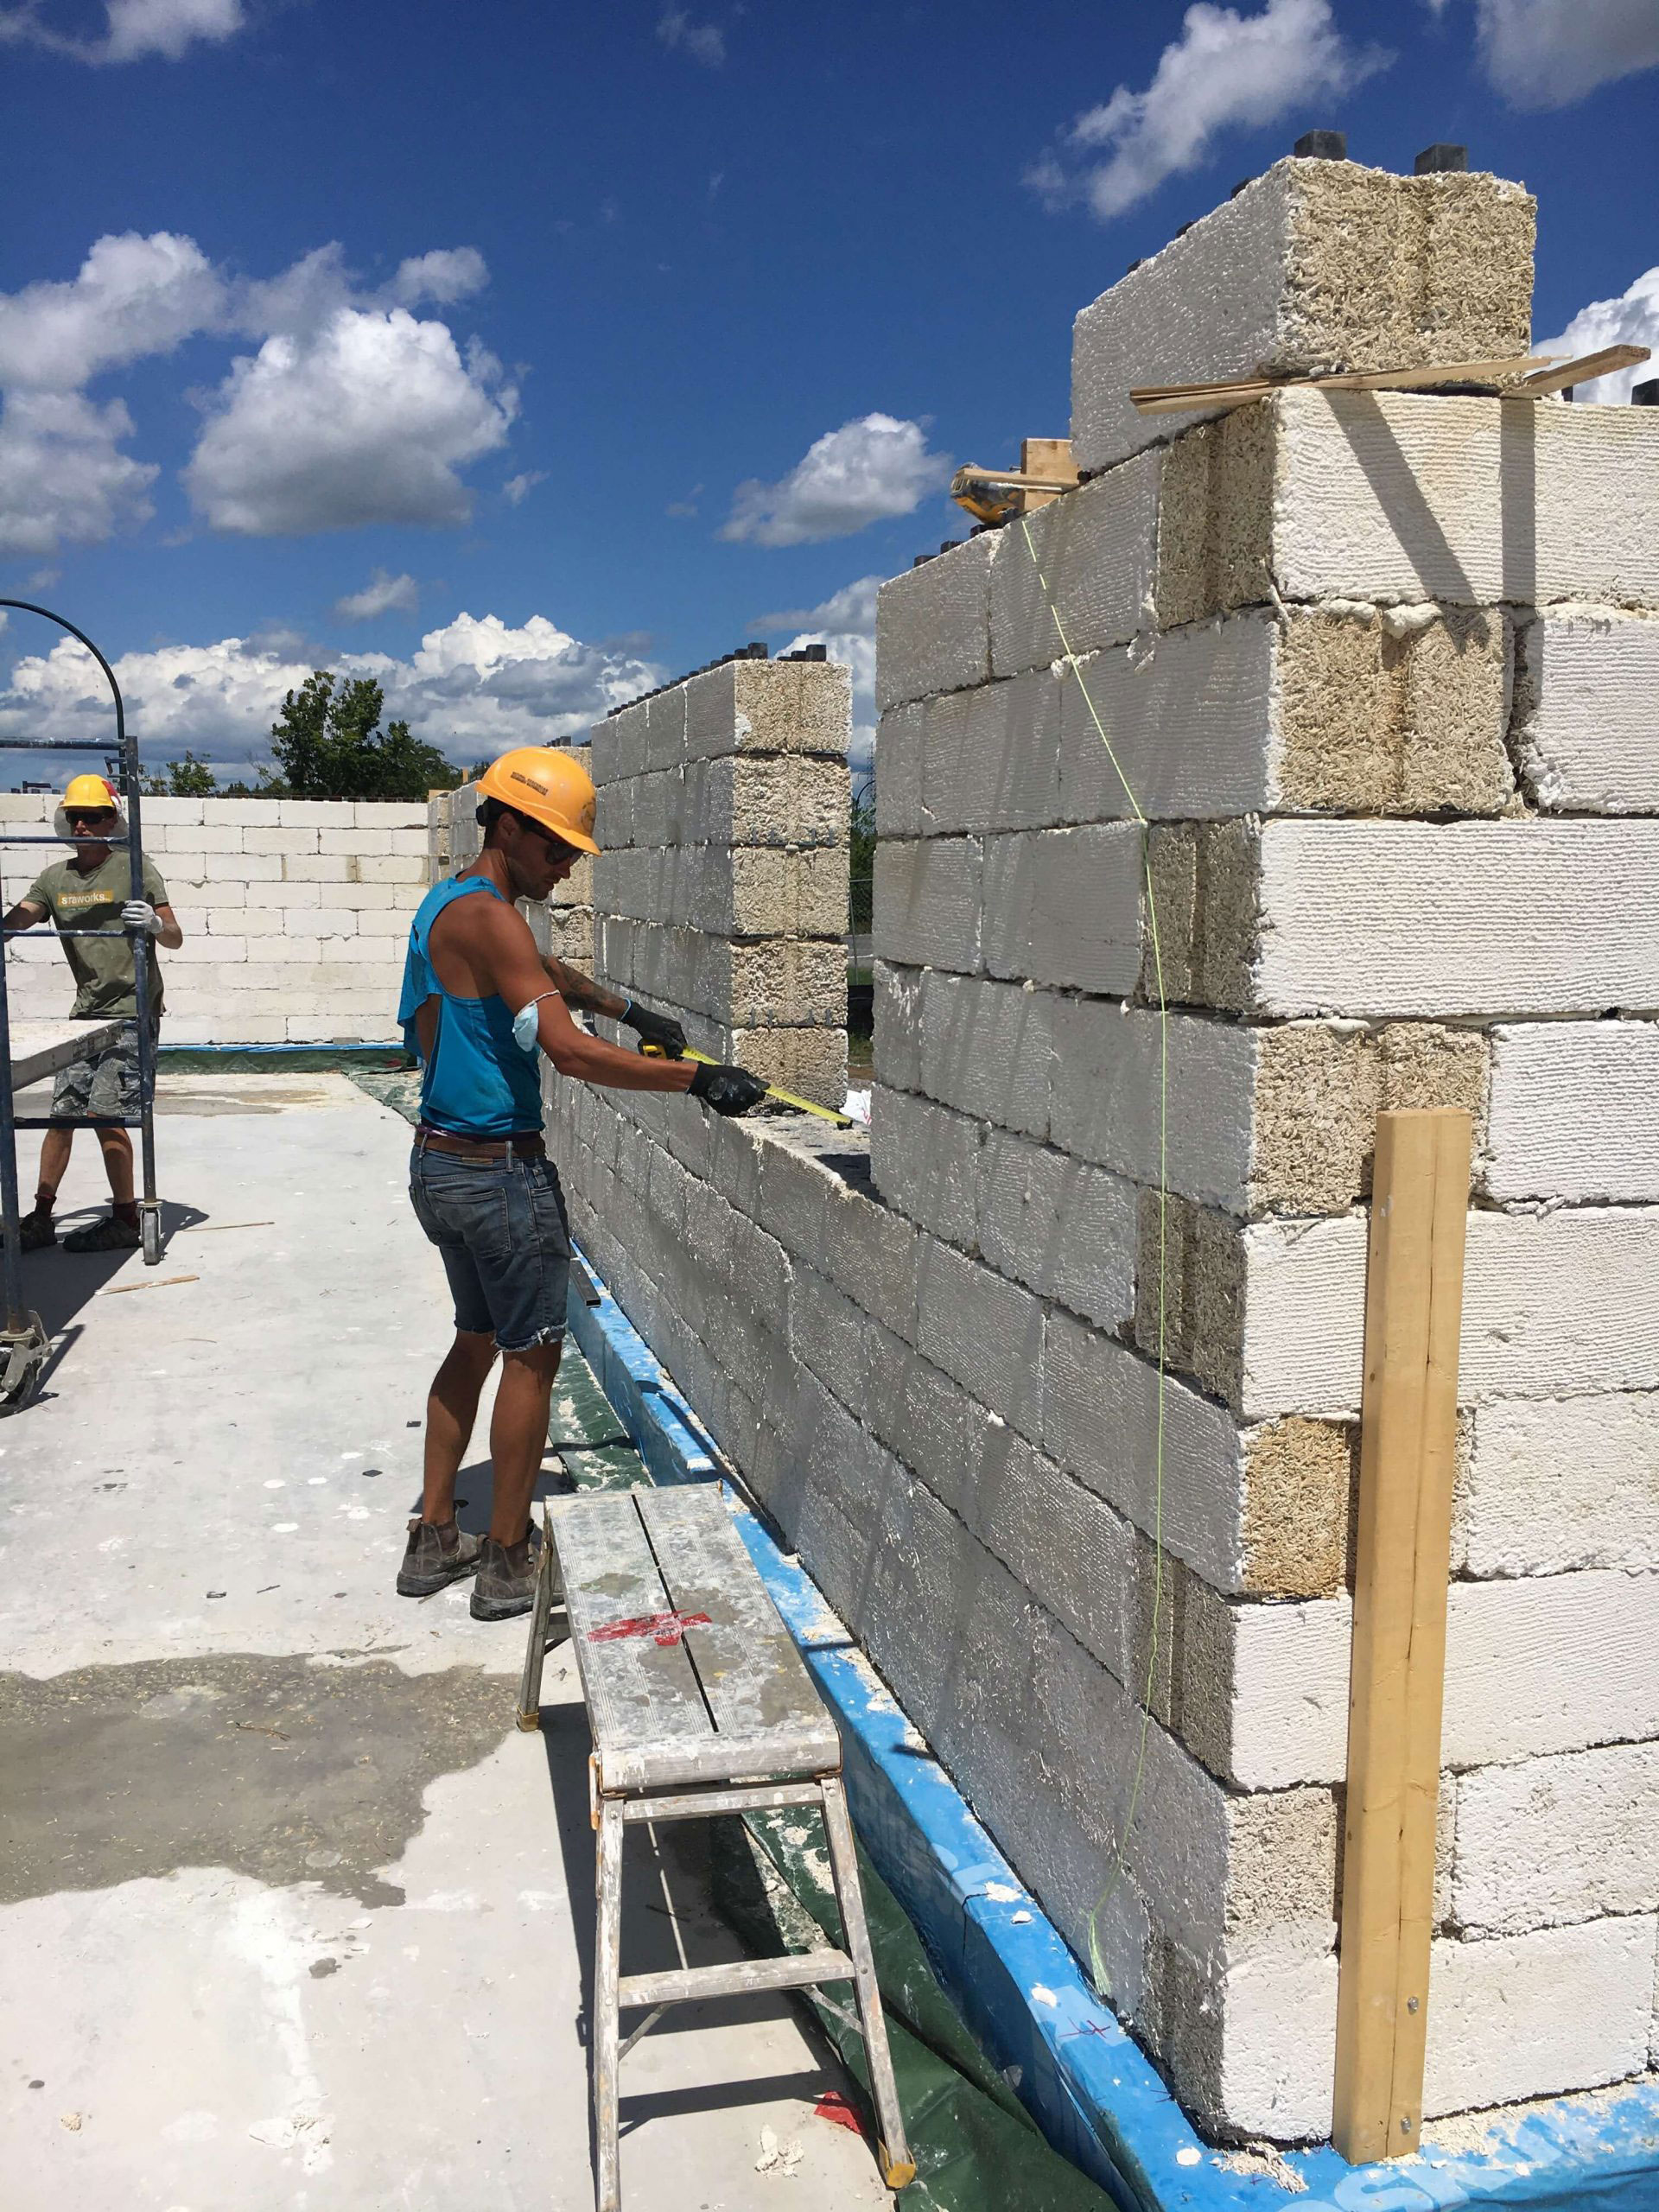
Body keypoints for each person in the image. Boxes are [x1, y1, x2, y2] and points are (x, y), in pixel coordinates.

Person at [397, 745, 767, 1620]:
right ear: (511, 823)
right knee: (532, 1358)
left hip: (440, 1165)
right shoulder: (491, 918)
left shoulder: (453, 904)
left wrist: (631, 1012)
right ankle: (507, 1557)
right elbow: (562, 1050)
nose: (565, 867)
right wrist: (697, 1079)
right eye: (557, 847)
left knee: (476, 1339)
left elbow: (539, 976)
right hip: (498, 1172)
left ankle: (434, 1534)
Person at [3, 773, 181, 1253]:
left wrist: (155, 923)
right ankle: (41, 1217)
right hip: (85, 1013)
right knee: (62, 1114)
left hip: (131, 1010)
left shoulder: (135, 868)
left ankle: (125, 1219)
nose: (83, 825)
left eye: (94, 816)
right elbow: (20, 916)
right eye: (75, 816)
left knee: (107, 1113)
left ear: (112, 819)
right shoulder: (54, 879)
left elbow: (175, 934)